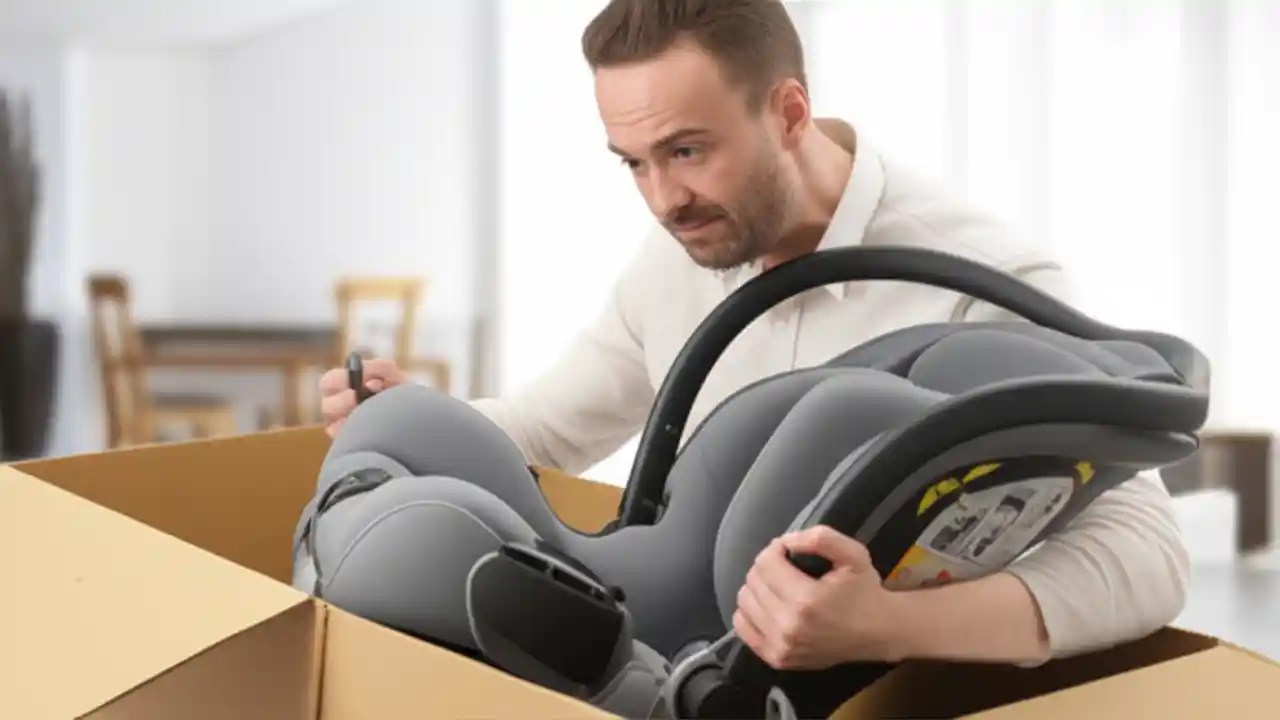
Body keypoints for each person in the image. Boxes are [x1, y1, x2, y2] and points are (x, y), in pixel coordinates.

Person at [319, 0, 1188, 675]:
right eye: (634, 163)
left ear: (788, 112)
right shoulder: (679, 259)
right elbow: (545, 432)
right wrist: (402, 414)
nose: (662, 199)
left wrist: (885, 627)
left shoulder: (978, 286)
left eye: (688, 151)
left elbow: (1147, 554)